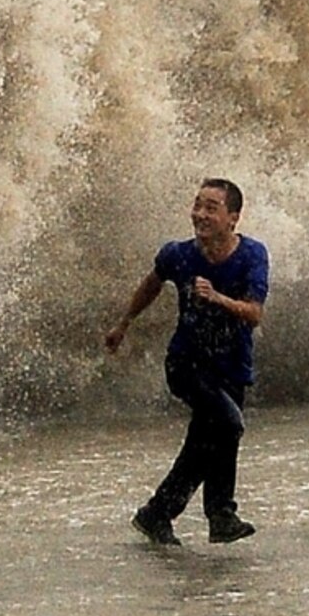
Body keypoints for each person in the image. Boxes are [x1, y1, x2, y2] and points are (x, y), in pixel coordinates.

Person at [104, 178, 269, 545]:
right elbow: (152, 283)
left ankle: (158, 514)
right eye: (197, 205)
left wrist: (218, 298)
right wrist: (124, 323)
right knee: (227, 424)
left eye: (211, 208)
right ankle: (220, 513)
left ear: (233, 218)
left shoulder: (252, 255)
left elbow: (255, 314)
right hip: (186, 365)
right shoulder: (177, 255)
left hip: (232, 366)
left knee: (206, 442)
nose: (200, 214)